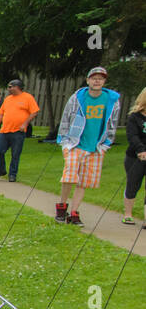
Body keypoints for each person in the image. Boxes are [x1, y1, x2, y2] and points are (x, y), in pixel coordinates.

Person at [55, 67, 120, 225]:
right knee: (69, 176)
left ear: (104, 81)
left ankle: (74, 213)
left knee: (83, 182)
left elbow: (112, 123)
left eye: (101, 78)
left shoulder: (111, 100)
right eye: (94, 78)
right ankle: (62, 206)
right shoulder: (78, 98)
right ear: (88, 80)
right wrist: (63, 141)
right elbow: (65, 118)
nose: (97, 81)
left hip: (95, 147)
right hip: (74, 144)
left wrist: (105, 145)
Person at [0, 79, 40, 182]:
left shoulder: (27, 97)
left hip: (18, 131)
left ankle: (12, 174)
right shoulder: (8, 99)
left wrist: (25, 124)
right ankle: (1, 170)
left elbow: (34, 112)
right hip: (5, 130)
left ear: (17, 87)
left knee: (15, 154)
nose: (9, 89)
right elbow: (1, 114)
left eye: (10, 87)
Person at [123, 87, 146, 227]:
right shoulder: (135, 117)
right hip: (135, 156)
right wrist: (141, 150)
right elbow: (132, 136)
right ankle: (128, 214)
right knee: (133, 184)